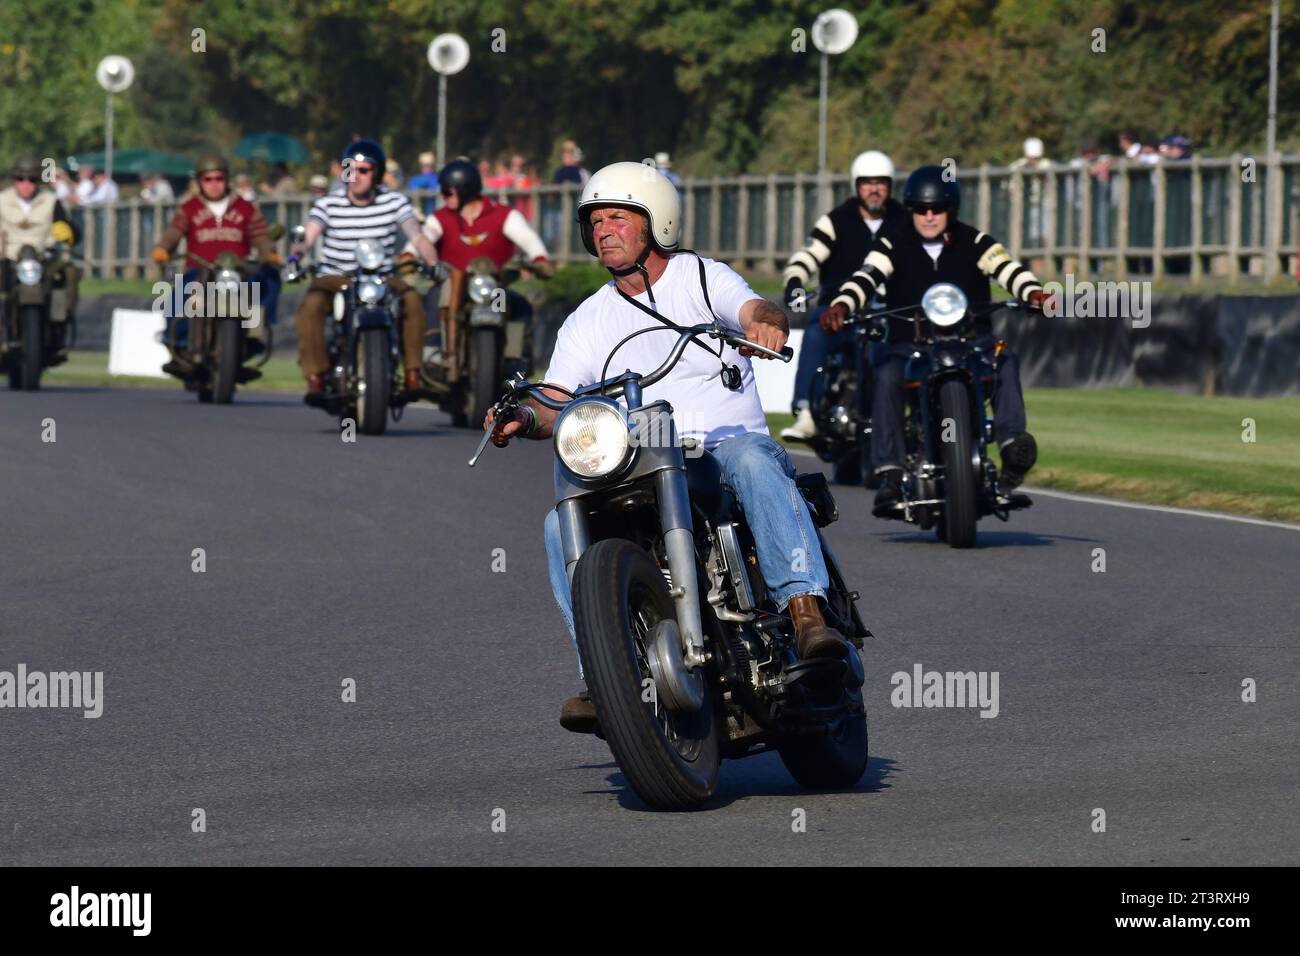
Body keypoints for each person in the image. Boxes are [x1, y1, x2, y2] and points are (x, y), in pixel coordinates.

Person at [482, 161, 850, 735]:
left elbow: (755, 308)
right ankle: (603, 673)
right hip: (638, 459)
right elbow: (556, 396)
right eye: (595, 222)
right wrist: (524, 414)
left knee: (754, 461)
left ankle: (805, 612)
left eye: (617, 218)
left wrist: (765, 326)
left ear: (658, 221)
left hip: (722, 447)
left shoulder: (702, 278)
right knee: (560, 526)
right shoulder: (587, 320)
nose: (604, 230)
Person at [822, 165, 1049, 515]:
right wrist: (842, 303)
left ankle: (1011, 444)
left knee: (1005, 360)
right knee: (885, 374)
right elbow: (865, 277)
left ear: (951, 209)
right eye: (921, 209)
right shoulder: (891, 242)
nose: (929, 216)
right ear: (911, 209)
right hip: (910, 345)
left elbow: (1010, 271)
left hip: (971, 341)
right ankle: (890, 473)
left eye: (937, 209)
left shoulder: (976, 241)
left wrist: (1034, 293)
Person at [289, 138, 438, 398]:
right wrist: (296, 255)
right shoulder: (328, 204)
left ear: (377, 174)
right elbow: (309, 236)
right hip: (336, 276)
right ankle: (315, 376)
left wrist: (433, 264)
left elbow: (417, 236)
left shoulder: (395, 202)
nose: (354, 176)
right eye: (350, 169)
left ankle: (413, 372)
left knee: (413, 299)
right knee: (310, 306)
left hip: (381, 277)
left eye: (363, 170)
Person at [779, 149, 905, 443]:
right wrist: (795, 280)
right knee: (815, 334)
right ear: (856, 185)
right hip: (837, 314)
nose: (874, 189)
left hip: (889, 313)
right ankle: (807, 412)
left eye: (881, 182)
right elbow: (808, 255)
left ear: (890, 185)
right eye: (867, 182)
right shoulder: (835, 220)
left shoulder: (905, 220)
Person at [149, 154, 283, 370]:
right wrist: (163, 249)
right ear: (199, 182)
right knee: (174, 297)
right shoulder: (189, 208)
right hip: (199, 269)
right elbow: (174, 232)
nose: (214, 185)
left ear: (227, 180)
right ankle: (178, 346)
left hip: (237, 271)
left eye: (219, 179)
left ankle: (253, 336)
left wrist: (270, 253)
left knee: (267, 281)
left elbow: (261, 236)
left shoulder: (245, 208)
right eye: (208, 179)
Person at [0, 154, 80, 356]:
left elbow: (73, 232)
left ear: (38, 181)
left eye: (32, 179)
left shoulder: (51, 201)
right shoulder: (2, 200)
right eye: (21, 179)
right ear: (14, 180)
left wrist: (68, 232)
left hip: (42, 259)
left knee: (70, 273)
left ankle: (60, 326)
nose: (26, 184)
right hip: (8, 259)